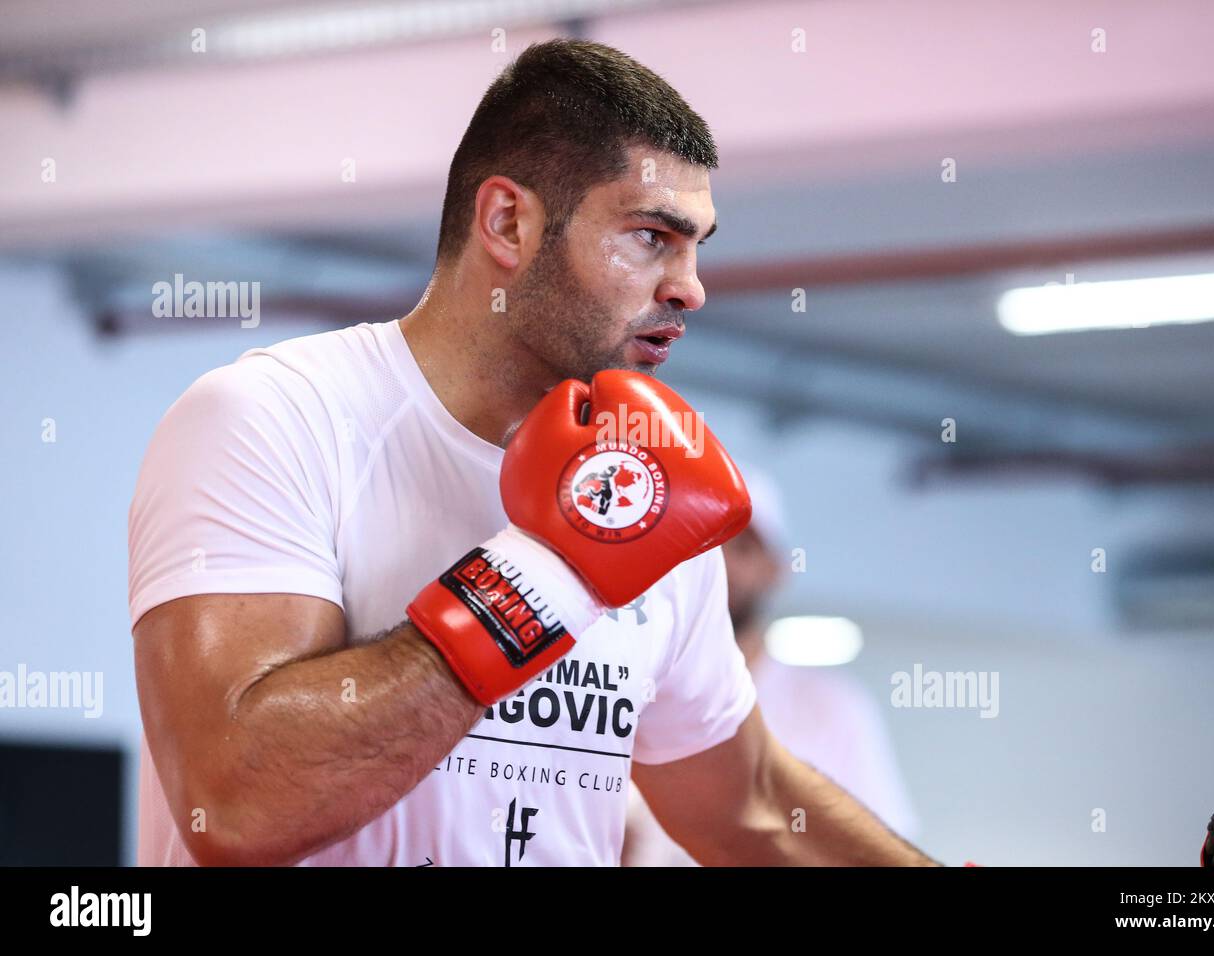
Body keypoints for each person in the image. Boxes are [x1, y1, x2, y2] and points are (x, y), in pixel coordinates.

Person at [128, 38, 941, 866]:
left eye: (698, 246)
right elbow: (234, 805)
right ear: (509, 222)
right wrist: (545, 573)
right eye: (652, 236)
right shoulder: (277, 419)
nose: (690, 287)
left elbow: (747, 806)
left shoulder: (642, 480)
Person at [623, 469, 920, 865]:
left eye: (740, 547)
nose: (716, 565)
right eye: (701, 544)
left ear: (775, 569)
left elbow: (875, 846)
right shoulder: (625, 691)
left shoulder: (832, 705)